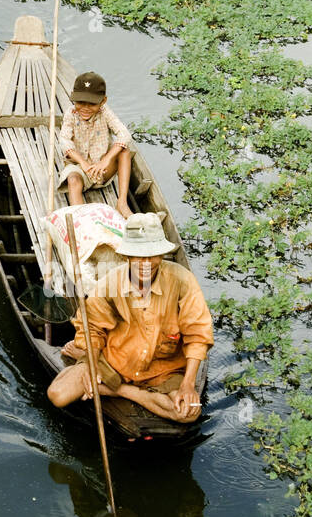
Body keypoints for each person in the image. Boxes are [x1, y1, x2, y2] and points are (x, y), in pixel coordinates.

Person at [47, 213, 214, 422]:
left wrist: (189, 385)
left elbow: (198, 335)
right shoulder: (109, 284)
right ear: (127, 256)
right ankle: (99, 374)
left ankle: (117, 391)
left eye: (152, 255)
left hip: (163, 370)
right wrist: (91, 367)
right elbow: (93, 329)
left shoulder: (182, 281)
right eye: (138, 256)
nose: (146, 263)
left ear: (162, 255)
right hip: (114, 362)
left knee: (188, 413)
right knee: (58, 395)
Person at [58, 71, 133, 218]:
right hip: (80, 169)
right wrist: (83, 163)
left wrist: (106, 160)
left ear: (103, 101)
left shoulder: (105, 112)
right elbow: (64, 141)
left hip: (102, 170)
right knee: (73, 180)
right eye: (80, 102)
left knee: (125, 151)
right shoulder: (70, 114)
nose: (85, 108)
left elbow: (125, 134)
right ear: (73, 97)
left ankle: (122, 203)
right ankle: (82, 218)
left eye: (92, 104)